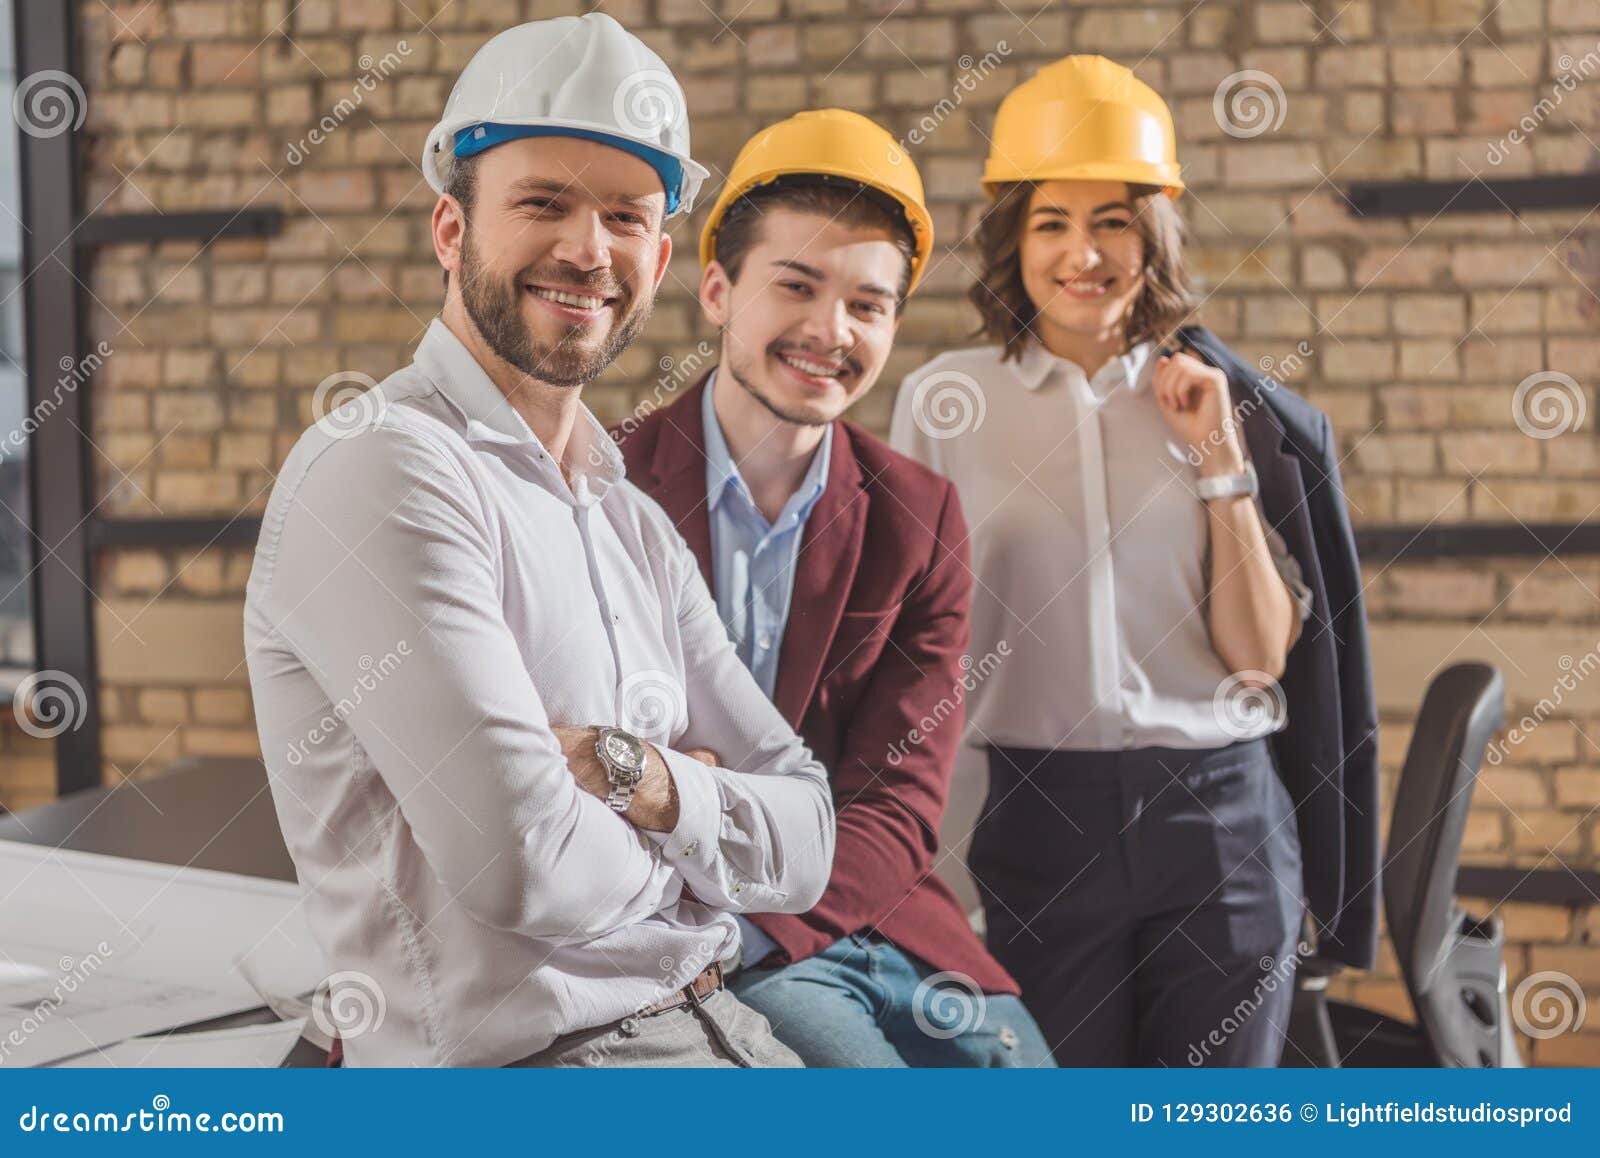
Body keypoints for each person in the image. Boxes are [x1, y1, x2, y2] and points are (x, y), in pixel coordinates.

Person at [244, 13, 836, 1069]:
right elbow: (523, 869)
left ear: (656, 261)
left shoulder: (628, 518)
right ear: (449, 229)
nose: (585, 250)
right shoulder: (386, 467)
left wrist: (629, 777)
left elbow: (811, 838)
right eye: (542, 204)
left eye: (622, 218)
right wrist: (698, 836)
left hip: (714, 1024)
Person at [890, 55, 1379, 1067]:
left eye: (1112, 220)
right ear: (1012, 242)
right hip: (1030, 827)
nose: (1083, 253)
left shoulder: (1212, 398)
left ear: (1149, 238)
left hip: (1219, 819)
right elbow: (917, 645)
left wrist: (1217, 464)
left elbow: (1257, 658)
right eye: (1052, 223)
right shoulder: (947, 402)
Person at [616, 110, 1054, 1067]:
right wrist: (728, 925)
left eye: (868, 304)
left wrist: (767, 913)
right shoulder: (606, 486)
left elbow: (900, 806)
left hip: (885, 919)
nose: (831, 331)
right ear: (719, 291)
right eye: (798, 286)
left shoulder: (918, 514)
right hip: (702, 929)